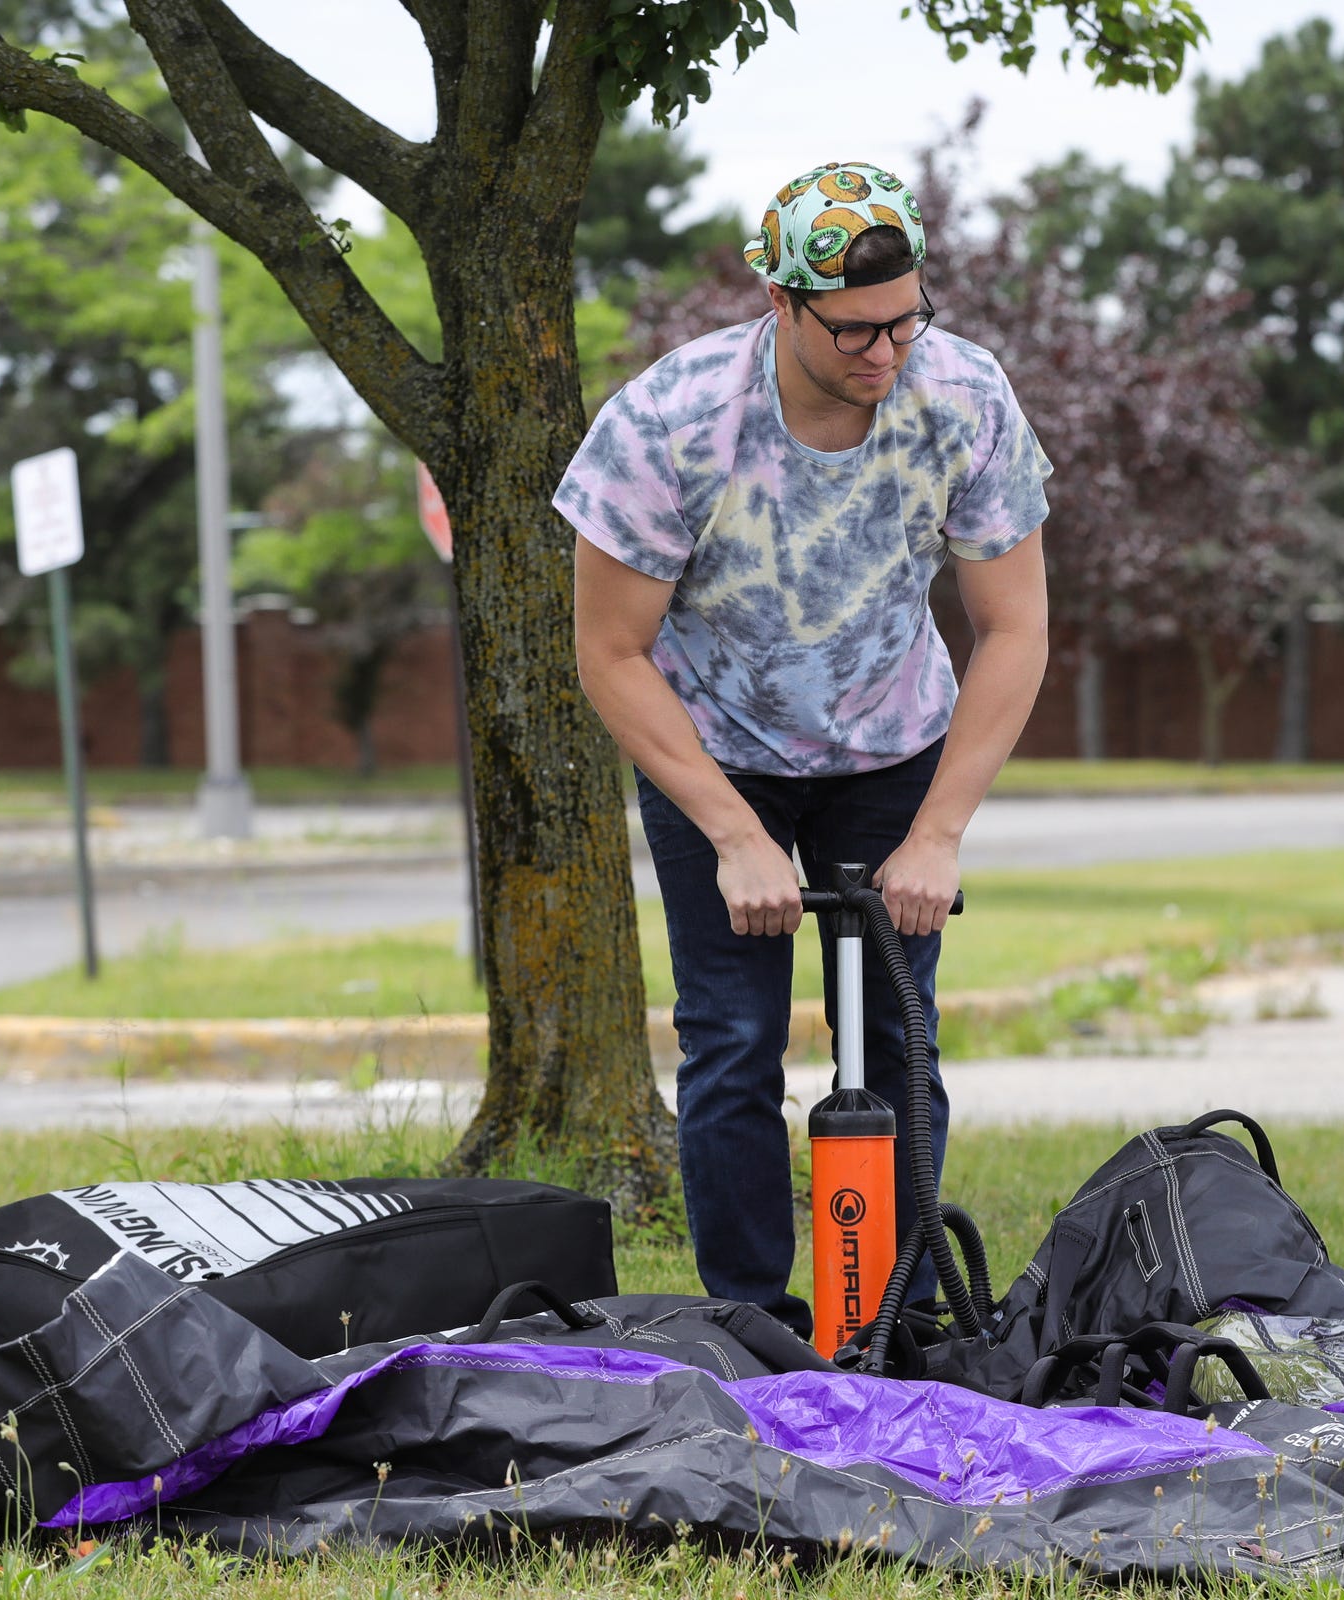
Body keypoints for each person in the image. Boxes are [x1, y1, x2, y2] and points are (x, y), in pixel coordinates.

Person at [556, 160, 1052, 1338]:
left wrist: (938, 834)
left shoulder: (963, 398)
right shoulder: (671, 423)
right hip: (711, 747)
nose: (887, 354)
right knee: (730, 1042)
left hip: (891, 749)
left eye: (905, 321)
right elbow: (610, 654)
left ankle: (900, 1316)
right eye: (853, 330)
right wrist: (733, 833)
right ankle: (748, 1323)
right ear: (778, 302)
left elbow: (1016, 627)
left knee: (897, 1040)